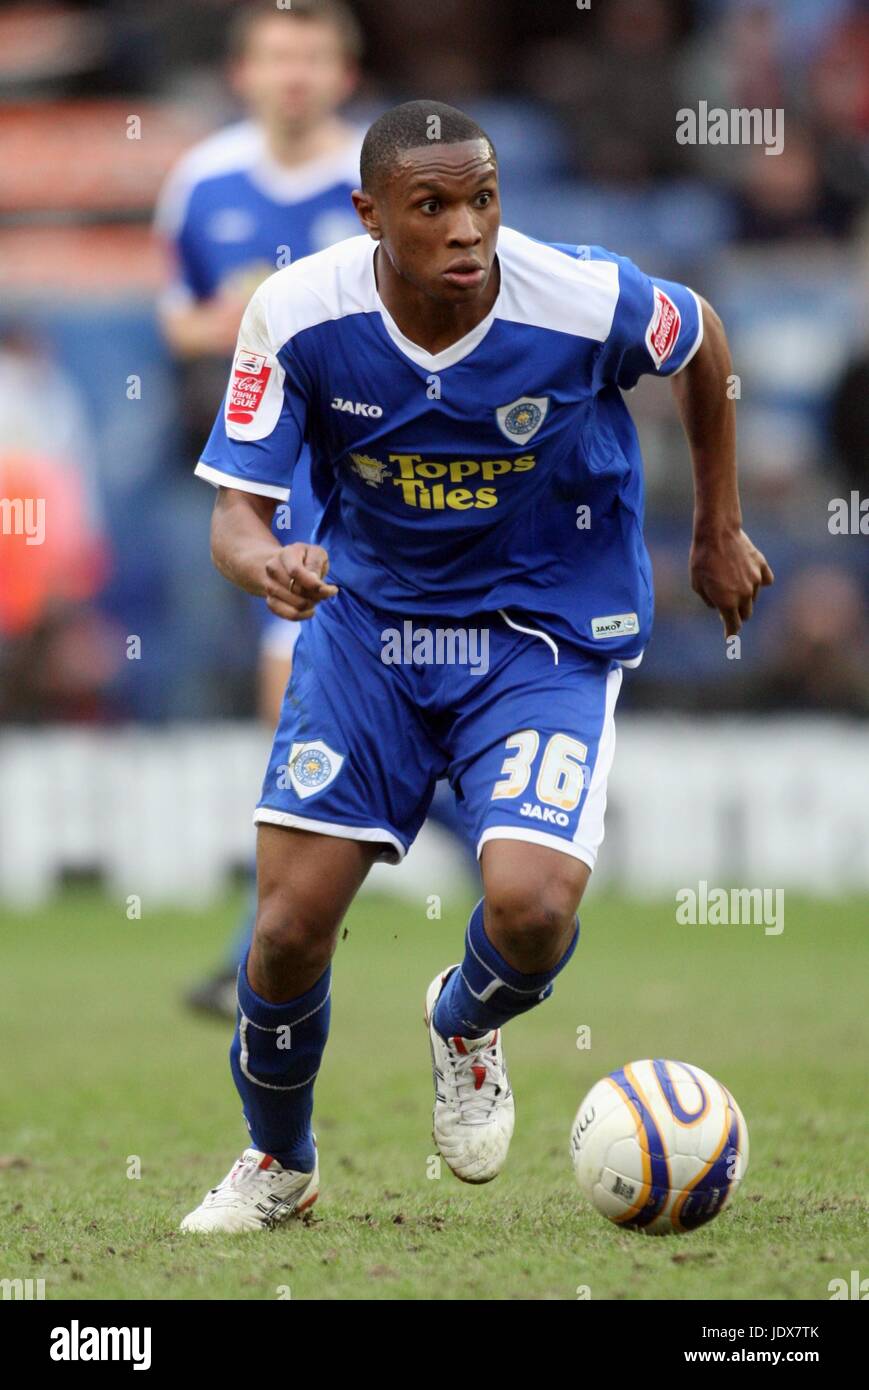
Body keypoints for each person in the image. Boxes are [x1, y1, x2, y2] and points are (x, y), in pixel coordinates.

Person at [181, 100, 773, 1232]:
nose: (468, 229)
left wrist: (713, 527)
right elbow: (234, 518)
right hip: (371, 634)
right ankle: (278, 1162)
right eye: (434, 206)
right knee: (289, 929)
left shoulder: (577, 295)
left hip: (541, 633)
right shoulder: (296, 315)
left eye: (484, 199)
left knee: (533, 906)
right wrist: (269, 569)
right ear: (369, 216)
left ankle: (462, 1019)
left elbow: (697, 338)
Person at [154, 0, 363, 1018]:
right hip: (264, 485)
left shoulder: (380, 174)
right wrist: (235, 316)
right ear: (243, 71)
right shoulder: (202, 182)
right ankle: (260, 953)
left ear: (344, 71)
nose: (294, 74)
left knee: (305, 714)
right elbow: (180, 322)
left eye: (312, 56)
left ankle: (257, 959)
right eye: (277, 56)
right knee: (296, 713)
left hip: (368, 478)